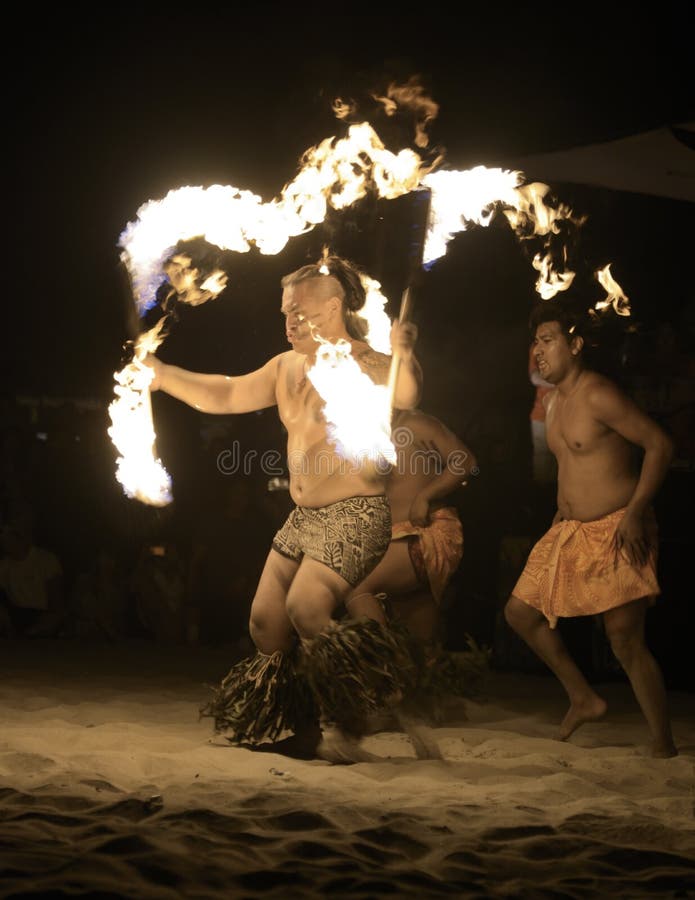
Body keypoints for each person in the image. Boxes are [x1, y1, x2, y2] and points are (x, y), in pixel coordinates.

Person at [144, 255, 423, 762]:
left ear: (334, 306)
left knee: (306, 608)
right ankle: (302, 724)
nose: (289, 321)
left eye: (298, 310)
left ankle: (359, 708)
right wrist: (162, 375)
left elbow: (405, 390)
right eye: (284, 312)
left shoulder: (363, 362)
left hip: (355, 514)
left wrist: (404, 352)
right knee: (266, 622)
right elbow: (226, 393)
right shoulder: (285, 366)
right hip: (304, 519)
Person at [504, 303, 678, 758]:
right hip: (569, 530)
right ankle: (583, 697)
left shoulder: (599, 393)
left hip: (619, 526)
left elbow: (660, 445)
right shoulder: (554, 401)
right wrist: (560, 515)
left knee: (624, 639)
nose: (538, 350)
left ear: (575, 345)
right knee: (520, 614)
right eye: (535, 342)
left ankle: (663, 745)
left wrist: (637, 511)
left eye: (548, 340)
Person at [344, 407, 487, 722]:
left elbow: (465, 461)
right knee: (418, 644)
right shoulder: (361, 431)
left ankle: (385, 680)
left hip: (427, 532)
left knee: (353, 585)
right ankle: (416, 709)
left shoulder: (418, 424)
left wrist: (427, 494)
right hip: (395, 540)